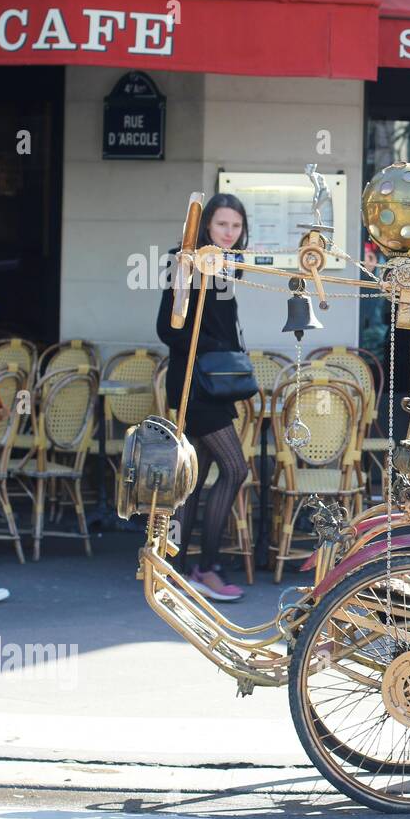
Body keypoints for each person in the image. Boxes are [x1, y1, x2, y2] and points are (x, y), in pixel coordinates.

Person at [157, 193, 252, 602]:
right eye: (221, 225)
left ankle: (176, 568)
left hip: (211, 385)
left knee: (195, 481)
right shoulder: (186, 262)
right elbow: (168, 328)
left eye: (235, 226)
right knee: (235, 470)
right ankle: (206, 567)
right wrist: (216, 350)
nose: (229, 233)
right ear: (205, 227)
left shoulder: (224, 267)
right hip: (197, 387)